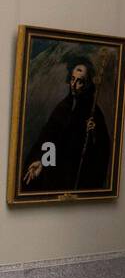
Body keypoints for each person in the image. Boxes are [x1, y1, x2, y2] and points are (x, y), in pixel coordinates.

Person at [21, 57, 112, 193]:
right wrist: (42, 162)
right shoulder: (62, 108)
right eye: (72, 79)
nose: (74, 85)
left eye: (79, 81)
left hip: (79, 176)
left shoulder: (94, 112)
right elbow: (50, 139)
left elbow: (103, 149)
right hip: (59, 174)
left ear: (87, 84)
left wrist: (94, 134)